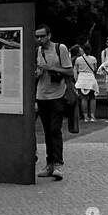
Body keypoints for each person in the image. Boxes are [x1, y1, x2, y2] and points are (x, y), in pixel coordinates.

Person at [34, 24, 72, 180]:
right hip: (42, 95)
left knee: (55, 130)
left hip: (57, 95)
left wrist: (50, 68)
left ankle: (57, 164)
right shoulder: (38, 51)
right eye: (37, 36)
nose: (39, 39)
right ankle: (49, 164)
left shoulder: (60, 48)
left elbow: (70, 71)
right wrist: (38, 72)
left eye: (42, 36)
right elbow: (37, 74)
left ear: (49, 35)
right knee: (47, 131)